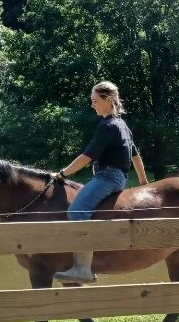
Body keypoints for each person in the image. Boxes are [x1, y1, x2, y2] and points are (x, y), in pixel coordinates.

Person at [52, 81, 149, 283]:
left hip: (107, 177)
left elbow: (87, 156)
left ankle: (82, 269)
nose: (92, 105)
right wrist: (143, 180)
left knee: (77, 212)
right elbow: (136, 157)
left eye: (95, 101)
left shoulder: (107, 126)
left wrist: (62, 174)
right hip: (118, 177)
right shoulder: (122, 125)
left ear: (109, 100)